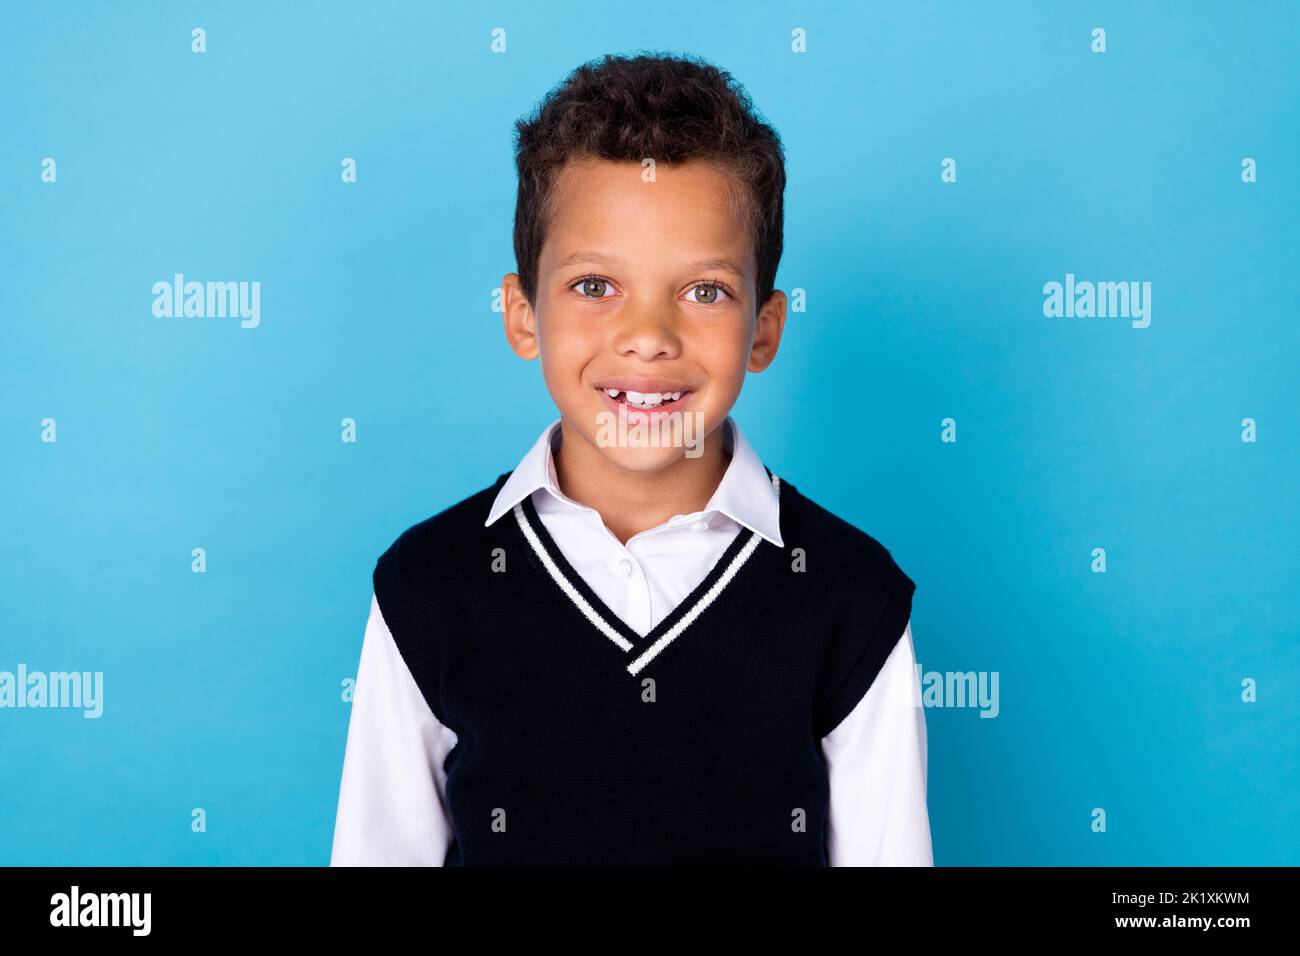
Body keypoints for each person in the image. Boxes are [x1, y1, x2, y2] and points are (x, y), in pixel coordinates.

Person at [330, 52, 932, 866]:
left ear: (764, 329)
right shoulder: (430, 589)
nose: (648, 335)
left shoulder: (849, 601)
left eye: (704, 291)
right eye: (594, 286)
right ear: (522, 316)